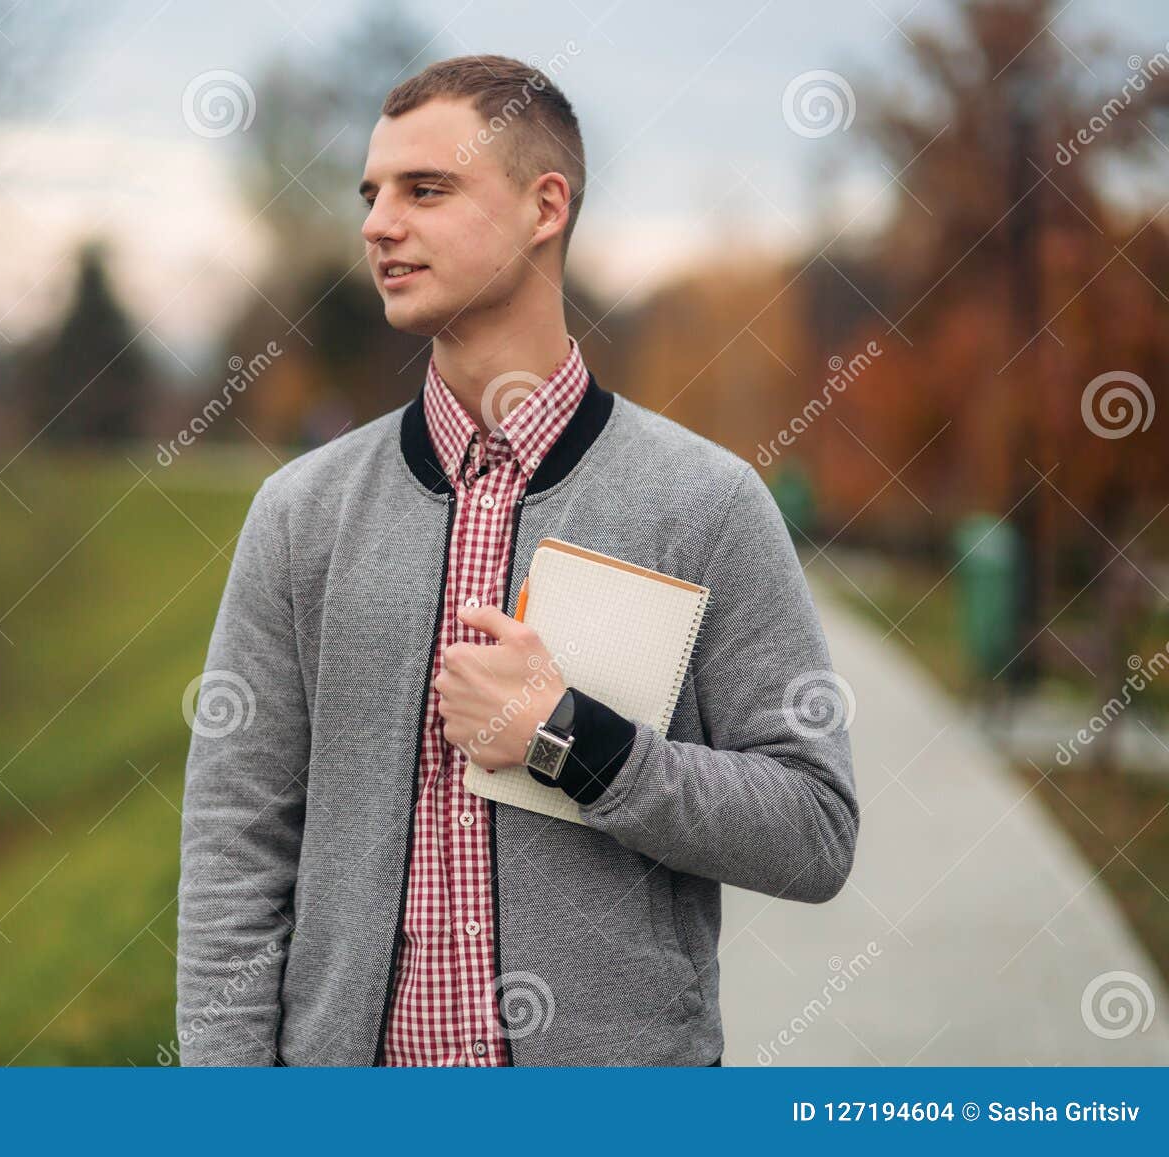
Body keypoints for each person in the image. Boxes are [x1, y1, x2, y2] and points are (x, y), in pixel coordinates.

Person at [175, 54, 858, 1067]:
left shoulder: (704, 504)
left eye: (426, 188)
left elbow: (813, 829)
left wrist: (573, 739)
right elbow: (235, 844)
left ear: (545, 206)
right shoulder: (300, 516)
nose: (376, 223)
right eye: (371, 194)